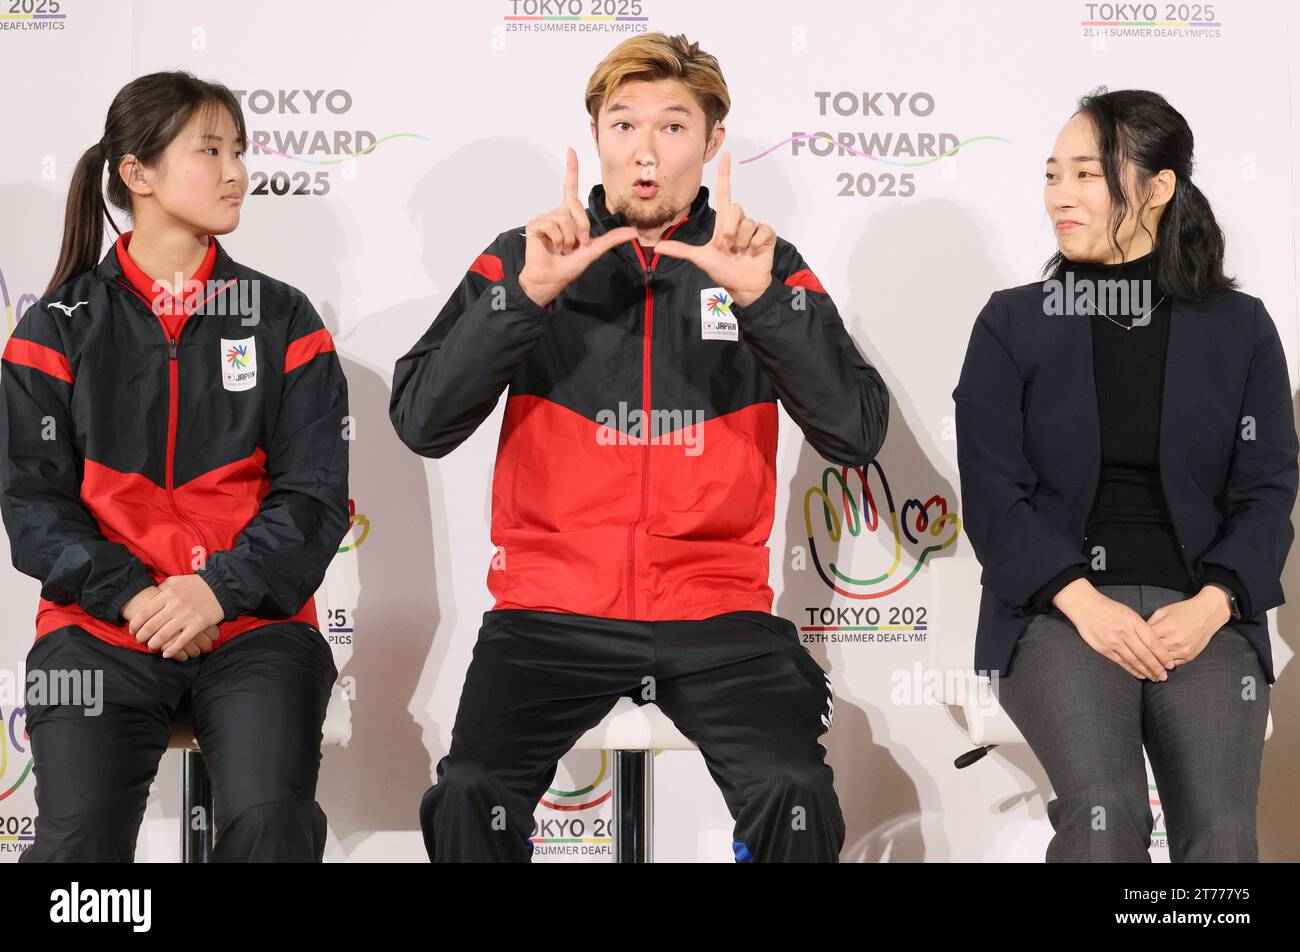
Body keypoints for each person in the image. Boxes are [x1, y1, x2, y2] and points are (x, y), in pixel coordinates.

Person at [391, 32, 889, 862]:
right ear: (597, 138)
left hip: (717, 613)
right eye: (622, 126)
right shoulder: (529, 255)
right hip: (549, 613)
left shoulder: (760, 264)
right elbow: (421, 421)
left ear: (713, 142)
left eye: (672, 126)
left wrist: (764, 303)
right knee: (470, 790)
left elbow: (855, 431)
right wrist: (526, 300)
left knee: (794, 796)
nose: (644, 152)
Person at [1, 71, 350, 862]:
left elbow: (314, 499)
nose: (237, 172)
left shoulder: (284, 318)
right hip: (97, 632)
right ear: (138, 174)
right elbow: (32, 507)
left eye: (240, 151)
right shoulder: (55, 329)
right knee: (75, 847)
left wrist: (213, 593)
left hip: (256, 630)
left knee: (272, 824)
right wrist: (136, 597)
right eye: (211, 150)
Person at [955, 87, 1297, 862]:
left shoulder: (1239, 329)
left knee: (1221, 829)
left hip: (1202, 612)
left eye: (1086, 175)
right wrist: (1087, 605)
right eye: (1051, 175)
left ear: (1157, 186)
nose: (1060, 197)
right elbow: (994, 496)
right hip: (1058, 612)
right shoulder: (1012, 323)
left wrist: (1213, 605)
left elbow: (1267, 493)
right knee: (1106, 814)